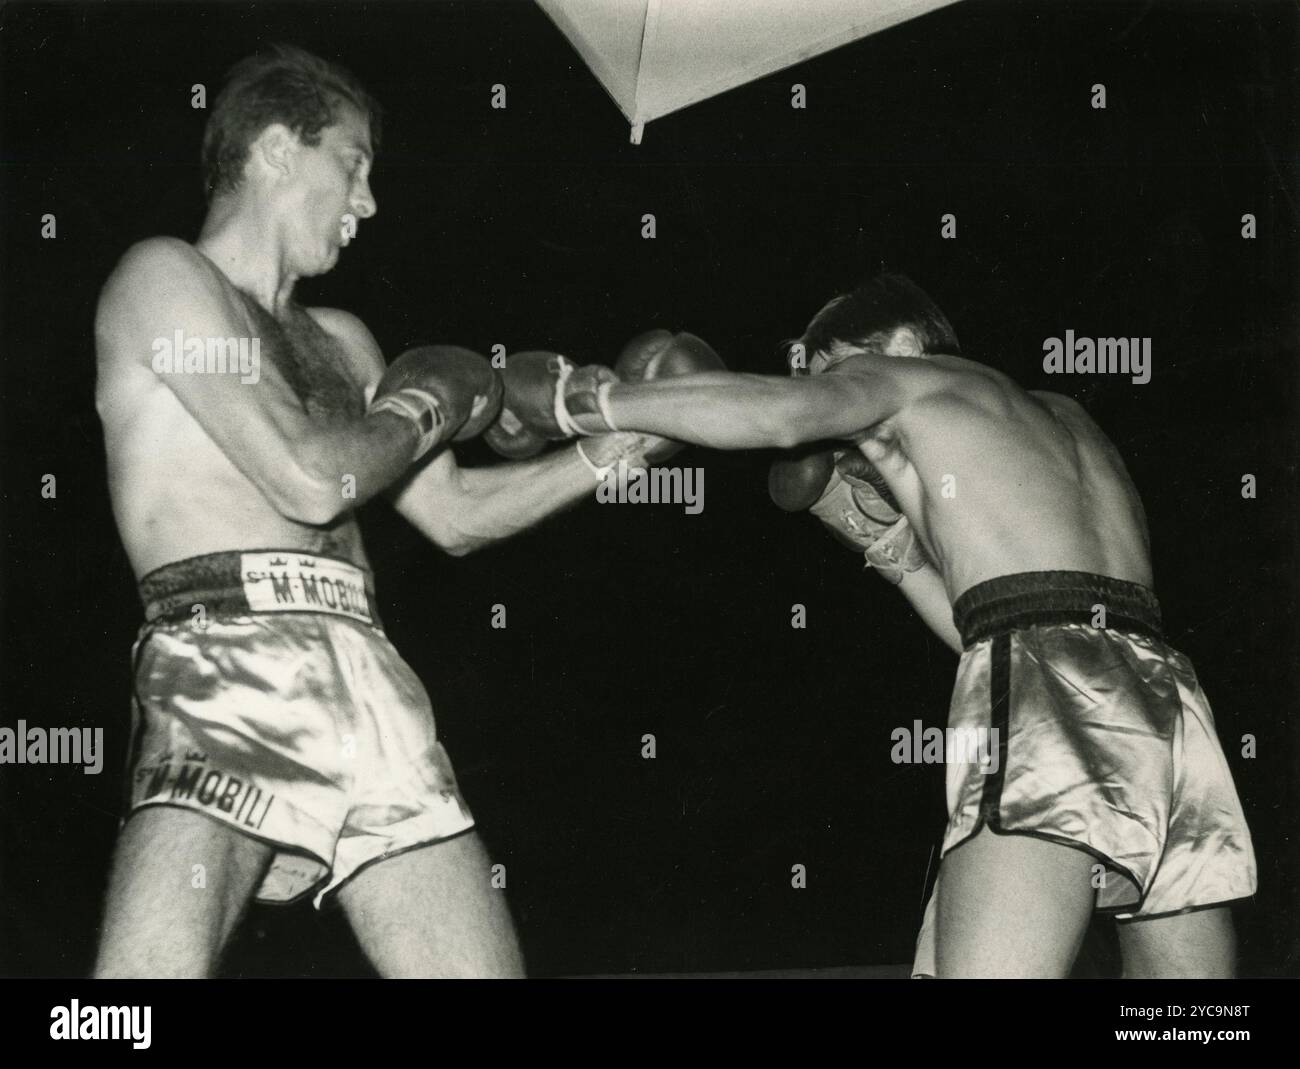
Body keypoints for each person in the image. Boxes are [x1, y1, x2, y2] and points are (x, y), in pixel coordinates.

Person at [91, 44, 678, 978]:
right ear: (279, 147)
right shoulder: (162, 279)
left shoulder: (346, 340)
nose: (367, 202)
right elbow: (308, 478)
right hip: (225, 650)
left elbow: (454, 516)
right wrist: (424, 404)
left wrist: (619, 447)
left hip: (370, 671)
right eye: (354, 165)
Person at [502, 272, 1258, 978]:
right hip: (1165, 701)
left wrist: (581, 400)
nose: (839, 403)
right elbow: (1009, 613)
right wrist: (888, 544)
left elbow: (777, 415)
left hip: (1041, 692)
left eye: (833, 369)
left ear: (898, 344)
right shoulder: (1064, 415)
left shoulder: (906, 379)